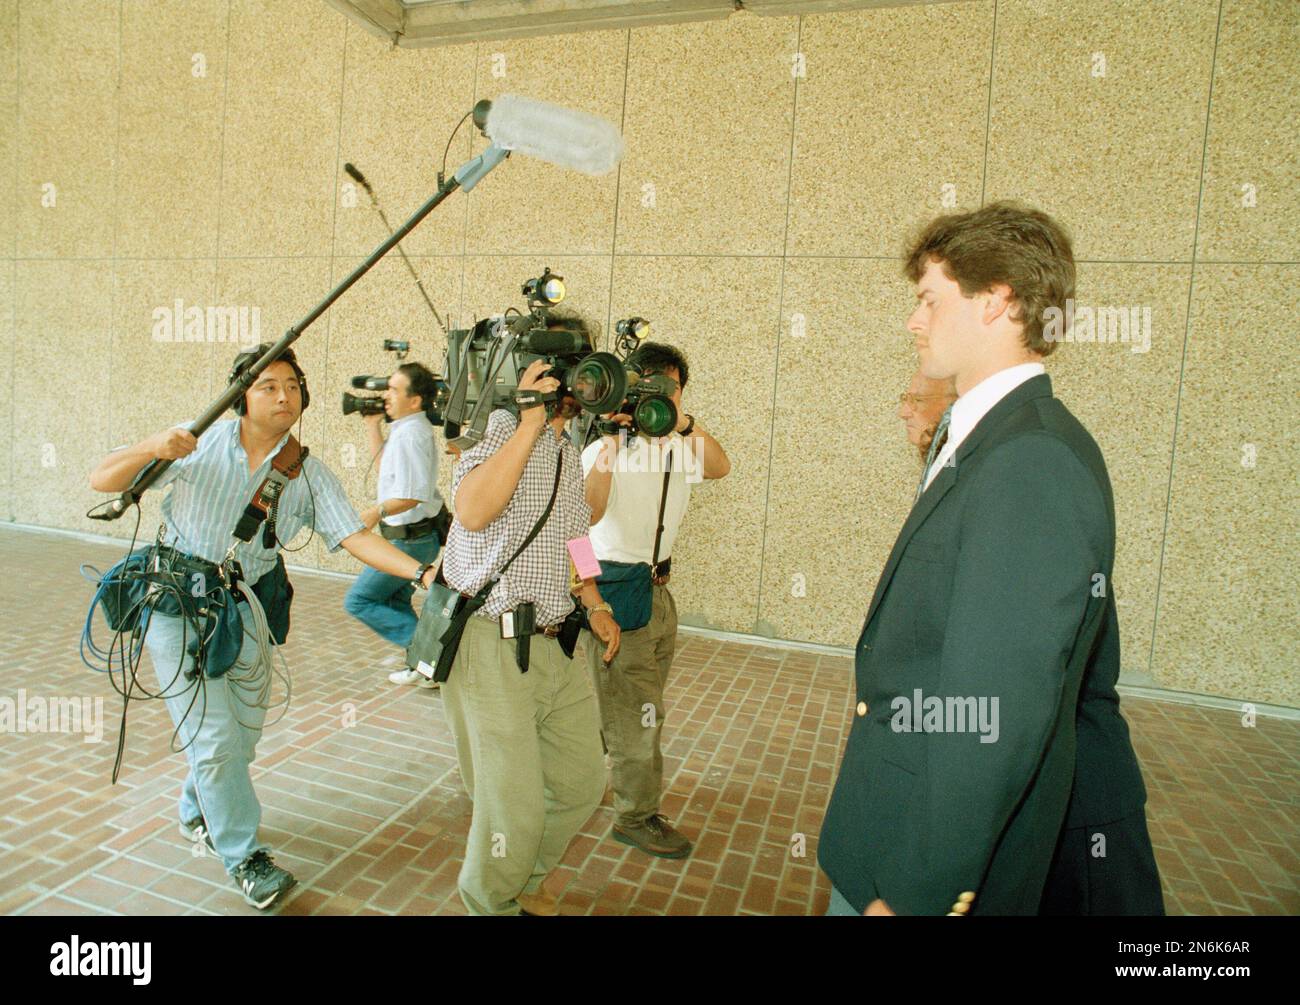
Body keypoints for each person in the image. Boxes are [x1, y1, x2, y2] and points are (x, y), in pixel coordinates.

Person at [818, 201, 1160, 915]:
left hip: (915, 865)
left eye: (930, 298)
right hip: (892, 827)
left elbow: (994, 713)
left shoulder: (1030, 461)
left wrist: (919, 890)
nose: (914, 321)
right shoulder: (993, 440)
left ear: (997, 299)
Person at [88, 343, 440, 910]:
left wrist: (421, 572)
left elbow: (352, 535)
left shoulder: (306, 471)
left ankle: (197, 809)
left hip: (247, 606)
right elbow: (103, 480)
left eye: (293, 386)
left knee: (242, 735)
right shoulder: (193, 441)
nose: (283, 396)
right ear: (239, 396)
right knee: (216, 735)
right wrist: (154, 446)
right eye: (267, 386)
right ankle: (246, 857)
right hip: (175, 604)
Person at [439, 347, 622, 917]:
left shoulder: (569, 451)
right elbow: (469, 511)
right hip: (490, 643)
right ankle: (490, 900)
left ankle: (525, 874)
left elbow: (576, 535)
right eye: (571, 373)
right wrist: (528, 422)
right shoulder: (493, 431)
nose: (581, 386)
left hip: (555, 639)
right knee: (510, 804)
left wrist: (593, 602)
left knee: (581, 782)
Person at [581, 342, 730, 859]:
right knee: (640, 711)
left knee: (630, 708)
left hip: (659, 590)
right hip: (617, 591)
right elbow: (581, 524)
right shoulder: (603, 447)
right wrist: (611, 446)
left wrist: (685, 424)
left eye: (669, 388)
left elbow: (720, 467)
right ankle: (635, 816)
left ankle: (582, 778)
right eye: (648, 385)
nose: (657, 396)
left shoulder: (679, 445)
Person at [342, 362, 446, 687]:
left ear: (415, 400)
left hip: (408, 539)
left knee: (360, 600)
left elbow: (413, 495)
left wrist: (376, 512)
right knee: (394, 601)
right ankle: (423, 666)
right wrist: (373, 426)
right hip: (412, 536)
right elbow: (386, 468)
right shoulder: (406, 429)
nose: (386, 396)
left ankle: (434, 657)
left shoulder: (412, 435)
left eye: (393, 390)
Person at [897, 369, 957, 459]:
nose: (903, 414)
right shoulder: (949, 462)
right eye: (906, 399)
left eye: (918, 400)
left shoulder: (963, 466)